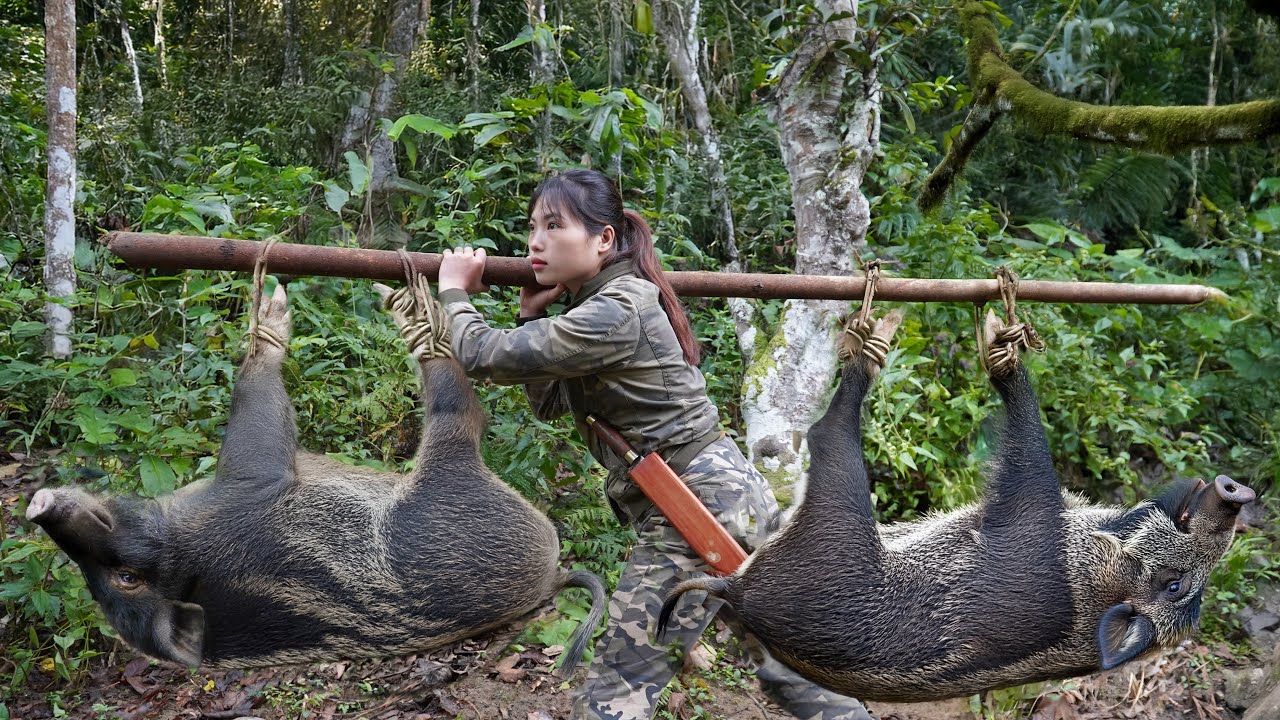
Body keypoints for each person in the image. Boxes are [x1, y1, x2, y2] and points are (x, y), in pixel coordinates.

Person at [434, 168, 872, 720]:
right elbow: (549, 404)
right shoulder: (598, 308)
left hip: (694, 506)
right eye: (531, 229)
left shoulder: (618, 307)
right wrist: (530, 314)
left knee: (617, 690)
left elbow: (483, 355)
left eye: (553, 225)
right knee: (783, 666)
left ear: (604, 239)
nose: (535, 242)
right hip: (717, 498)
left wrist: (452, 290)